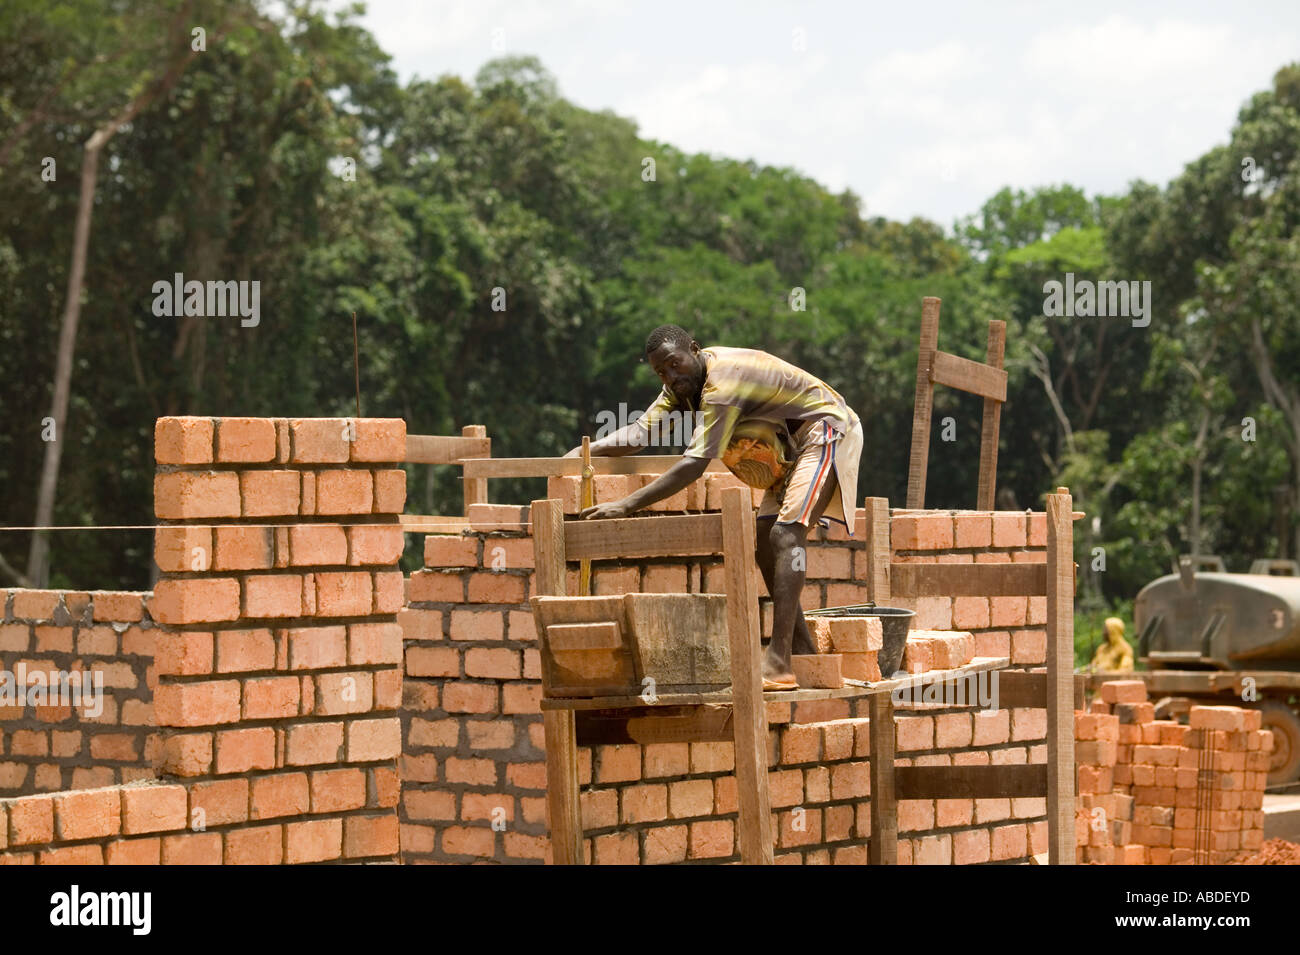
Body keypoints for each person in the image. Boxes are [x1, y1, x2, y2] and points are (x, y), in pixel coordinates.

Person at [568, 324, 863, 690]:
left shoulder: (723, 383)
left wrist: (626, 505)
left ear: (694, 349)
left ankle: (779, 659)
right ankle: (800, 648)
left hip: (826, 431)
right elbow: (640, 433)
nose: (672, 377)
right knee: (764, 541)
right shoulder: (680, 389)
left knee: (786, 534)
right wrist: (581, 454)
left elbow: (694, 464)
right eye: (661, 372)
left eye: (676, 365)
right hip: (787, 443)